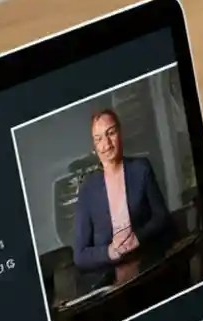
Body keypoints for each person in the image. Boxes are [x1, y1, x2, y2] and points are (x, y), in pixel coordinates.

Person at [72, 108, 170, 269]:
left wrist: (138, 238)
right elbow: (80, 255)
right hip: (111, 274)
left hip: (149, 261)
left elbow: (161, 217)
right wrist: (111, 252)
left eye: (111, 133)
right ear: (94, 146)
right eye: (99, 139)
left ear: (120, 133)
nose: (106, 144)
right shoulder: (87, 191)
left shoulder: (141, 169)